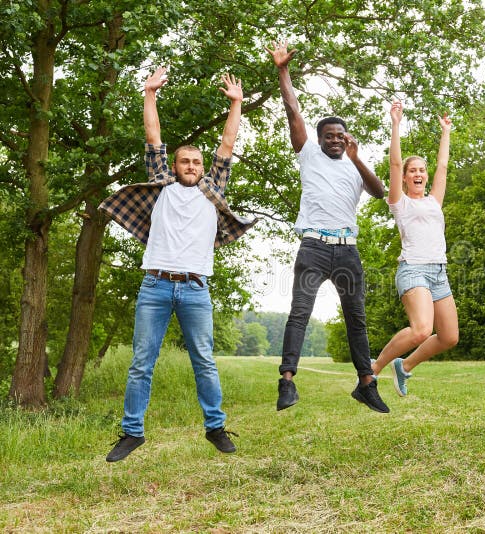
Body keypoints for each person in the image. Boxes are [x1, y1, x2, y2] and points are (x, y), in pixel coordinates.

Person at [100, 68, 256, 462]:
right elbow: (152, 136)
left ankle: (215, 428)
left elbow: (228, 141)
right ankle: (132, 432)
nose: (190, 165)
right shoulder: (162, 185)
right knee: (141, 363)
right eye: (184, 160)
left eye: (196, 161)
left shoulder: (212, 190)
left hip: (195, 288)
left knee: (204, 360)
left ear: (204, 168)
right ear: (174, 165)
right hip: (154, 286)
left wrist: (236, 103)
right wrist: (149, 93)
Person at [267, 41, 390, 413]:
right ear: (319, 140)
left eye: (341, 136)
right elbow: (293, 113)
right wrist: (283, 71)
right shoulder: (308, 154)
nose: (335, 139)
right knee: (300, 313)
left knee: (357, 318)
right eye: (329, 136)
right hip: (314, 249)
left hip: (347, 251)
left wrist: (358, 157)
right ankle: (287, 381)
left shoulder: (354, 163)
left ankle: (366, 383)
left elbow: (380, 192)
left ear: (347, 139)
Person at [370, 100, 459, 396]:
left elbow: (443, 166)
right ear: (406, 177)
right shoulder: (400, 202)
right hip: (413, 270)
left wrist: (445, 132)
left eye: (422, 170)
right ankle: (372, 370)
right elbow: (394, 163)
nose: (419, 174)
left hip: (438, 272)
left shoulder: (434, 200)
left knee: (448, 337)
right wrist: (395, 124)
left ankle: (404, 367)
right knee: (422, 329)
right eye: (413, 171)